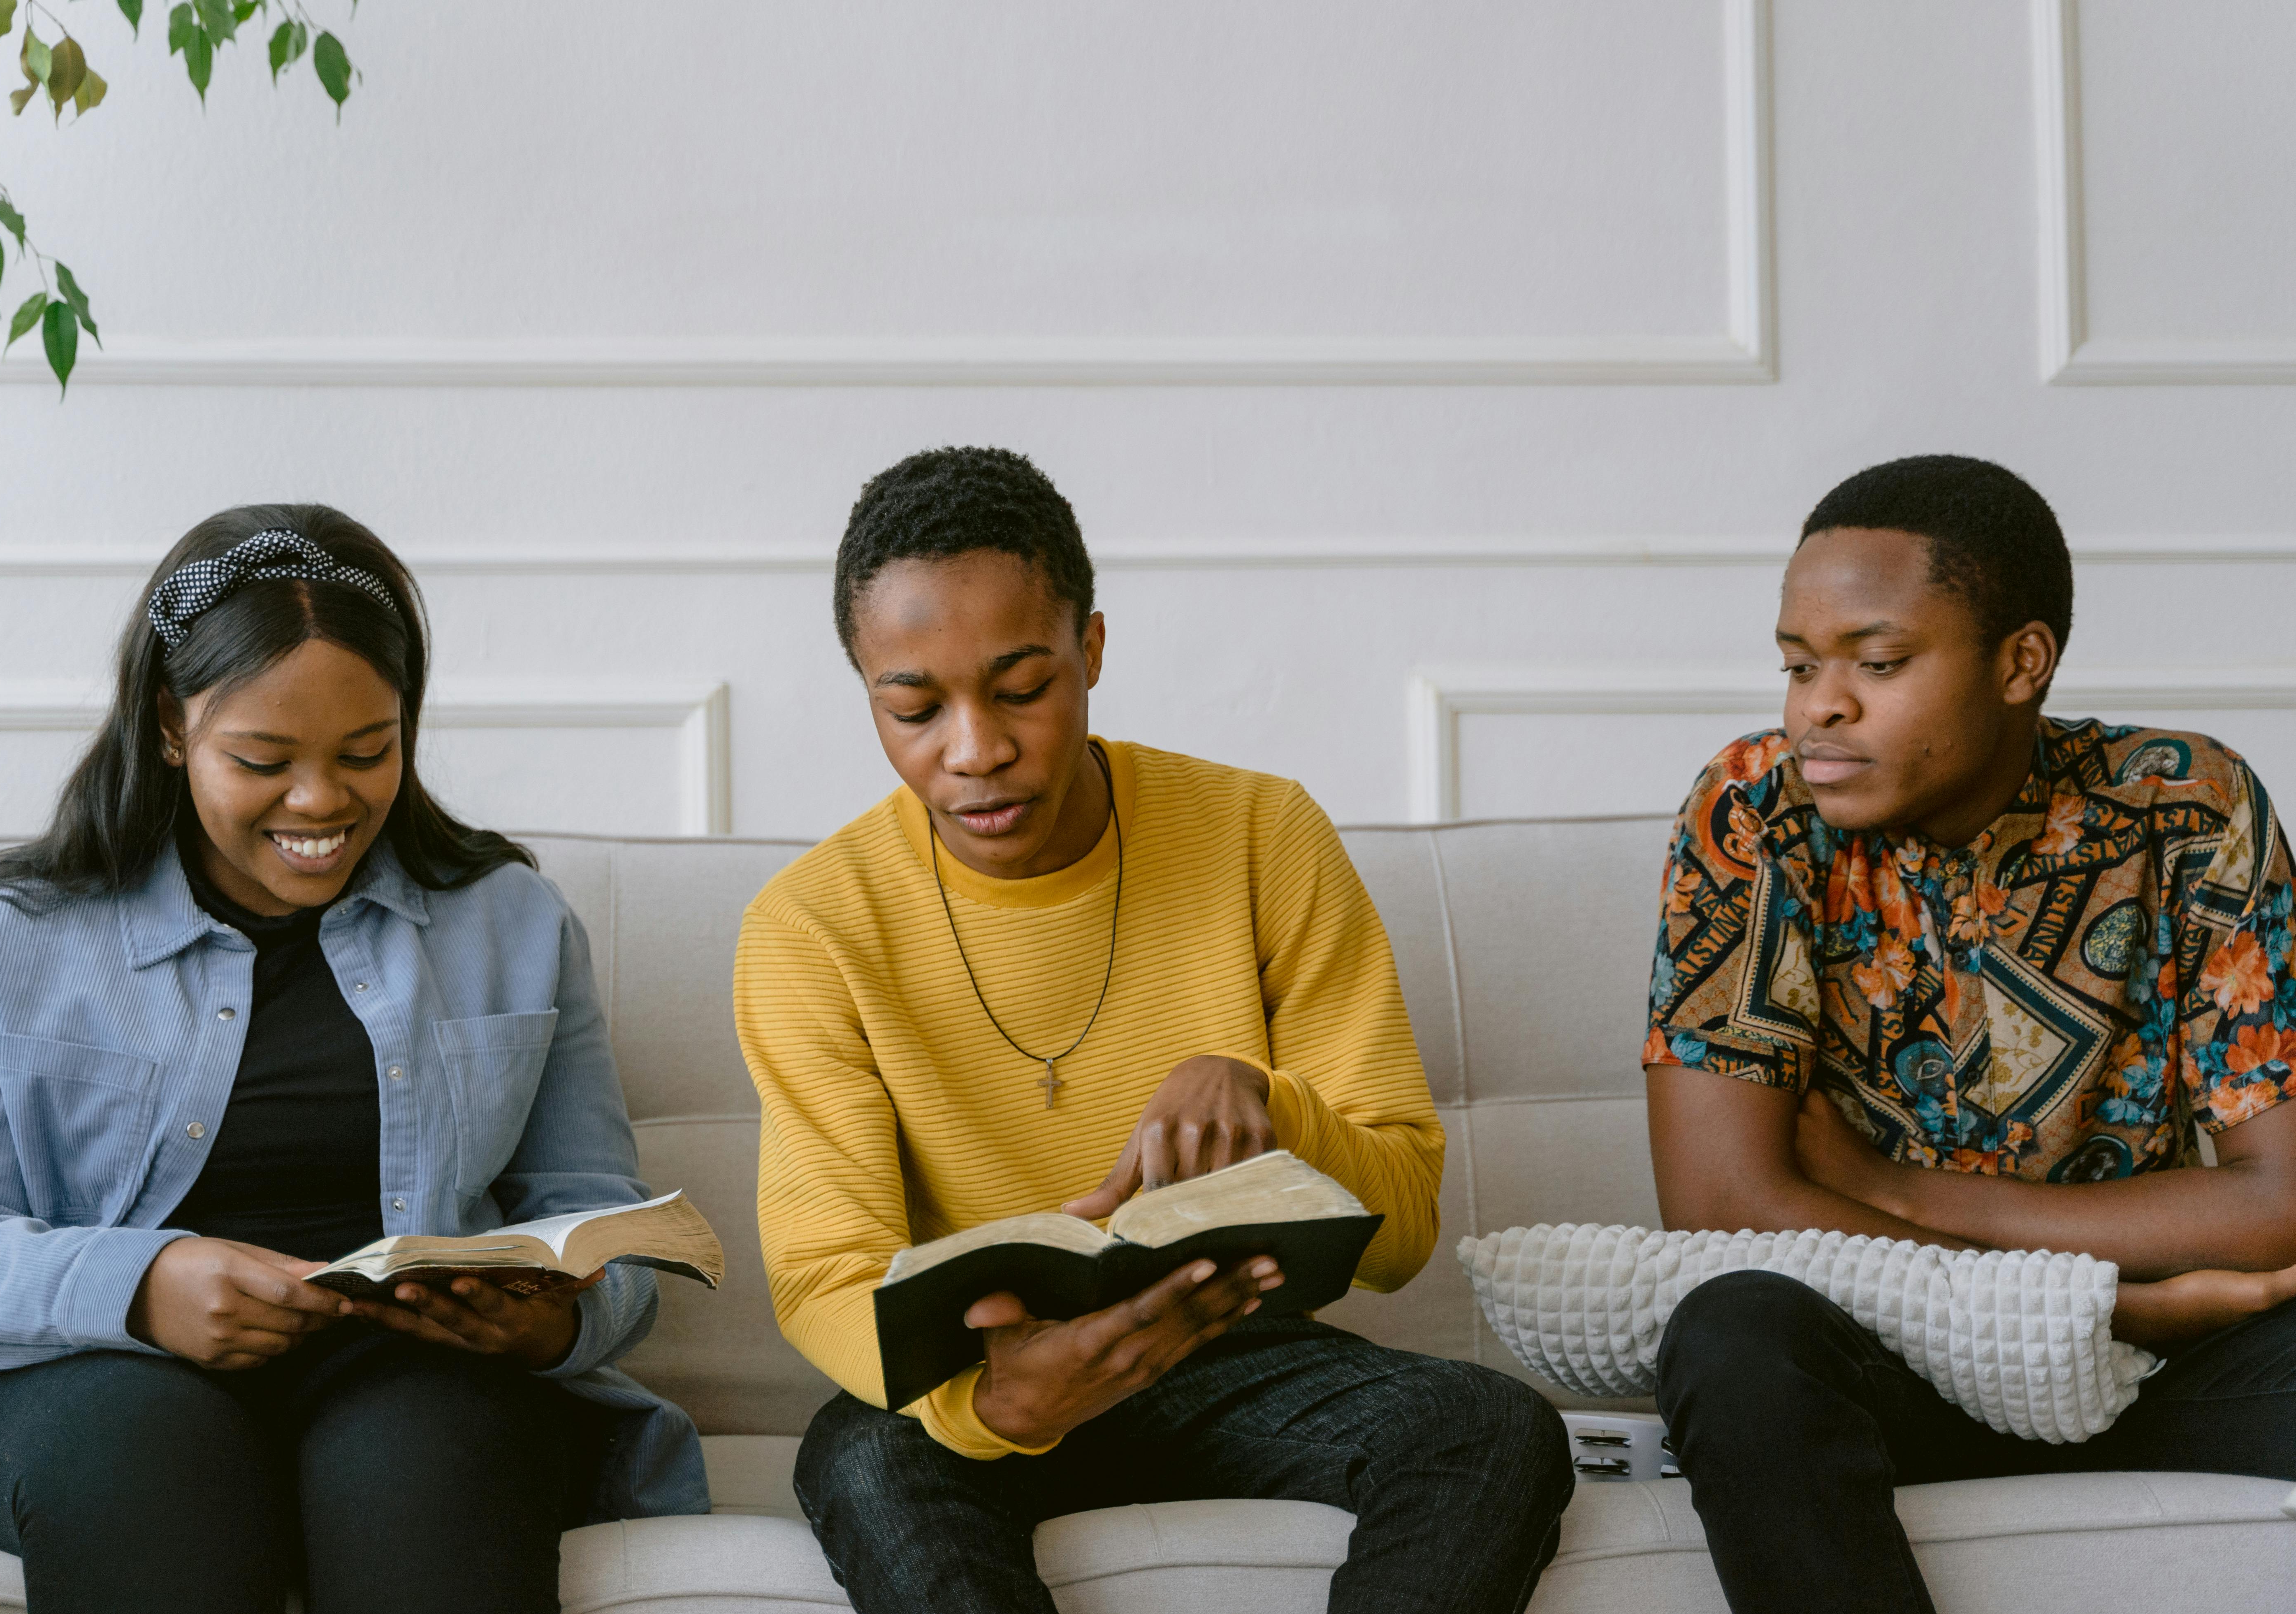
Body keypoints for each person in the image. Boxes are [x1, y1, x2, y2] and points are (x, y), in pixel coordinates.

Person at [735, 446, 1571, 1613]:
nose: (971, 748)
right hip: (989, 1376)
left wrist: (1266, 1100)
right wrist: (989, 1402)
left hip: (1230, 1352)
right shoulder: (811, 924)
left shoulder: (1260, 832)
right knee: (863, 1457)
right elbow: (824, 1271)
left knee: (1485, 1426)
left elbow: (1402, 1231)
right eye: (914, 706)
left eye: (1021, 686)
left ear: (1091, 649)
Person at [0, 508, 706, 1614]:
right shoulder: (12, 941)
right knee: (149, 1453)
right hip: (88, 1381)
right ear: (171, 727)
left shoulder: (510, 923)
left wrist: (554, 1316)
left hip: (398, 1371)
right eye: (263, 760)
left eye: (368, 751)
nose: (322, 801)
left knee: (423, 1461)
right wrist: (146, 1286)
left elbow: (598, 1212)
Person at [1642, 455, 2296, 1614]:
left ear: (2019, 662)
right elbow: (1722, 1202)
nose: (1817, 705)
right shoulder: (1755, 810)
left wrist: (1901, 1188)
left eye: (1876, 662)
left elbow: (2276, 1202)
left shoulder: (2187, 806)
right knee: (1732, 1330)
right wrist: (2105, 1294)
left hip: (2160, 1366)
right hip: (1900, 1360)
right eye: (1798, 664)